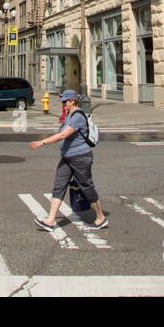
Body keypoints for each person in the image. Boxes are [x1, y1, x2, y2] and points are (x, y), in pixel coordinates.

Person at [29, 89, 108, 230]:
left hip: (80, 158)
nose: (63, 104)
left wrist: (42, 142)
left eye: (65, 101)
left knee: (87, 187)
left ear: (72, 101)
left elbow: (63, 135)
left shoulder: (78, 116)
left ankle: (100, 217)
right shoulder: (70, 115)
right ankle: (50, 220)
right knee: (59, 186)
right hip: (67, 157)